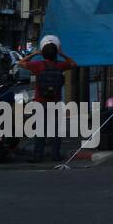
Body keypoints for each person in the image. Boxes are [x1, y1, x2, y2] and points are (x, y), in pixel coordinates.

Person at [18, 35, 78, 163]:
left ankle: (37, 156)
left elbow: (21, 63)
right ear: (56, 52)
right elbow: (74, 64)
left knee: (40, 130)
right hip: (55, 102)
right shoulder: (60, 65)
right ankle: (55, 155)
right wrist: (62, 54)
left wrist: (34, 53)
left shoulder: (37, 65)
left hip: (40, 102)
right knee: (55, 130)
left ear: (43, 52)